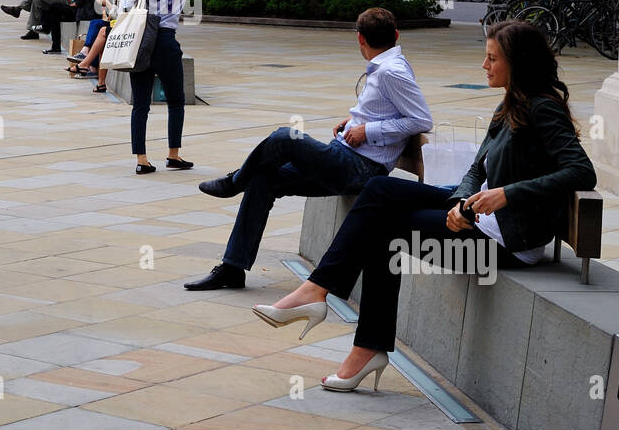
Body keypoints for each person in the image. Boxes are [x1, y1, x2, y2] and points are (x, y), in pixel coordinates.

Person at [253, 20, 596, 392]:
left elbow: (581, 171)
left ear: (518, 62)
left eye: (493, 58)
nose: (484, 65)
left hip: (505, 242)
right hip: (479, 215)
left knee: (384, 232)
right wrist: (460, 202)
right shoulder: (510, 104)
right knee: (380, 188)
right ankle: (321, 294)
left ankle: (355, 335)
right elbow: (477, 167)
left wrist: (507, 193)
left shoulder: (543, 109)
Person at [183, 8, 434, 291]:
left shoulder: (392, 71)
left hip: (360, 168)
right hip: (347, 159)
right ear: (396, 35)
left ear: (360, 39)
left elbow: (421, 119)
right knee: (264, 179)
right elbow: (389, 110)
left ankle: (234, 182)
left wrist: (367, 130)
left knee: (284, 138)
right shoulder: (386, 65)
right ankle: (232, 268)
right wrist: (355, 120)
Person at [119, 0, 217, 174]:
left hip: (141, 41)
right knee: (176, 100)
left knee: (140, 104)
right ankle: (173, 154)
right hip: (165, 42)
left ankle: (141, 160)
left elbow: (124, 6)